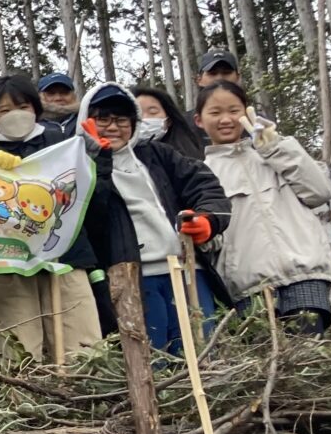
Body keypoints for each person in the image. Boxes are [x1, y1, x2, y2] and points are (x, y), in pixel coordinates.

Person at [78, 83, 231, 353]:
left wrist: (207, 220)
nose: (113, 127)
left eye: (122, 119)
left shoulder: (158, 154)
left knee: (201, 352)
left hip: (185, 269)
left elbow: (206, 186)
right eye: (103, 118)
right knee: (152, 358)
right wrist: (100, 161)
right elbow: (92, 218)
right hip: (133, 277)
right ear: (86, 120)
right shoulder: (79, 166)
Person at [0, 75, 104, 363]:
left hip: (66, 257)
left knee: (82, 344)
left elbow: (88, 192)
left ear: (35, 108)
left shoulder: (62, 142)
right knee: (15, 347)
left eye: (22, 106)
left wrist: (95, 158)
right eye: (5, 110)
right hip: (7, 263)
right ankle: (21, 403)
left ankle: (85, 402)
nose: (15, 115)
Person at [196, 80, 331, 333]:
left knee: (312, 362)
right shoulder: (201, 173)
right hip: (249, 287)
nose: (226, 119)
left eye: (234, 110)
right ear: (199, 120)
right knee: (267, 367)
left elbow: (320, 192)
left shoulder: (276, 152)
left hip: (304, 275)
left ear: (248, 112)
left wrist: (274, 146)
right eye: (215, 112)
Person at [132, 84, 209, 162]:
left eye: (153, 112)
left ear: (168, 121)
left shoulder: (186, 162)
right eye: (138, 113)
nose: (145, 118)